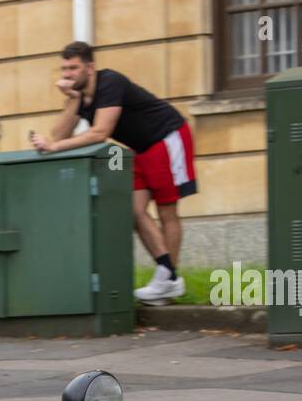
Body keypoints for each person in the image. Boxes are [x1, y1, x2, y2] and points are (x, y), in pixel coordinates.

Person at [30, 41, 196, 304]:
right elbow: (58, 133)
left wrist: (54, 147)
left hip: (167, 136)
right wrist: (72, 100)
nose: (68, 74)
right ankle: (169, 277)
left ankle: (168, 280)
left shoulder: (110, 82)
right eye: (64, 69)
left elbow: (100, 133)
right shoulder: (82, 98)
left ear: (91, 68)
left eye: (73, 68)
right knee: (133, 210)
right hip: (140, 148)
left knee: (167, 210)